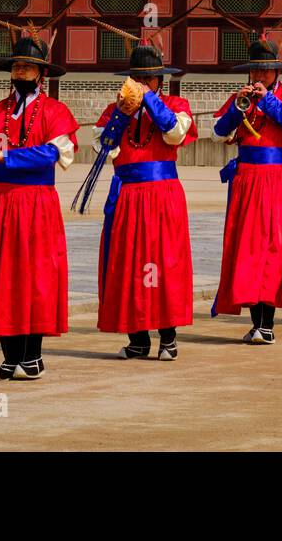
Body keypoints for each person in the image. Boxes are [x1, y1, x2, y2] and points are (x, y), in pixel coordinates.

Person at [0, 28, 79, 380]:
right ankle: (9, 357)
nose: (20, 72)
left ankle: (32, 357)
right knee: (1, 278)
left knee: (35, 279)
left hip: (37, 205)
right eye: (17, 66)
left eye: (28, 66)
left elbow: (52, 153)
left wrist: (2, 156)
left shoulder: (55, 111)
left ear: (42, 73)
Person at [87, 37, 197, 358]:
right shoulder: (113, 110)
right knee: (129, 264)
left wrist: (149, 99)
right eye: (136, 78)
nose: (141, 83)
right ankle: (137, 338)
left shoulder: (177, 106)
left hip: (163, 196)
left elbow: (173, 133)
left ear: (159, 80)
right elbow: (105, 146)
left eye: (148, 78)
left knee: (165, 263)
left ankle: (168, 337)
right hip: (127, 195)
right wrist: (122, 114)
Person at [213, 33, 282, 343]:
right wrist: (238, 108)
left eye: (265, 71)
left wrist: (266, 99)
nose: (258, 76)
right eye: (254, 70)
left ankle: (266, 323)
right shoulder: (239, 97)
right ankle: (255, 321)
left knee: (273, 247)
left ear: (276, 72)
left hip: (276, 180)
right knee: (248, 248)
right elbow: (219, 131)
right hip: (245, 179)